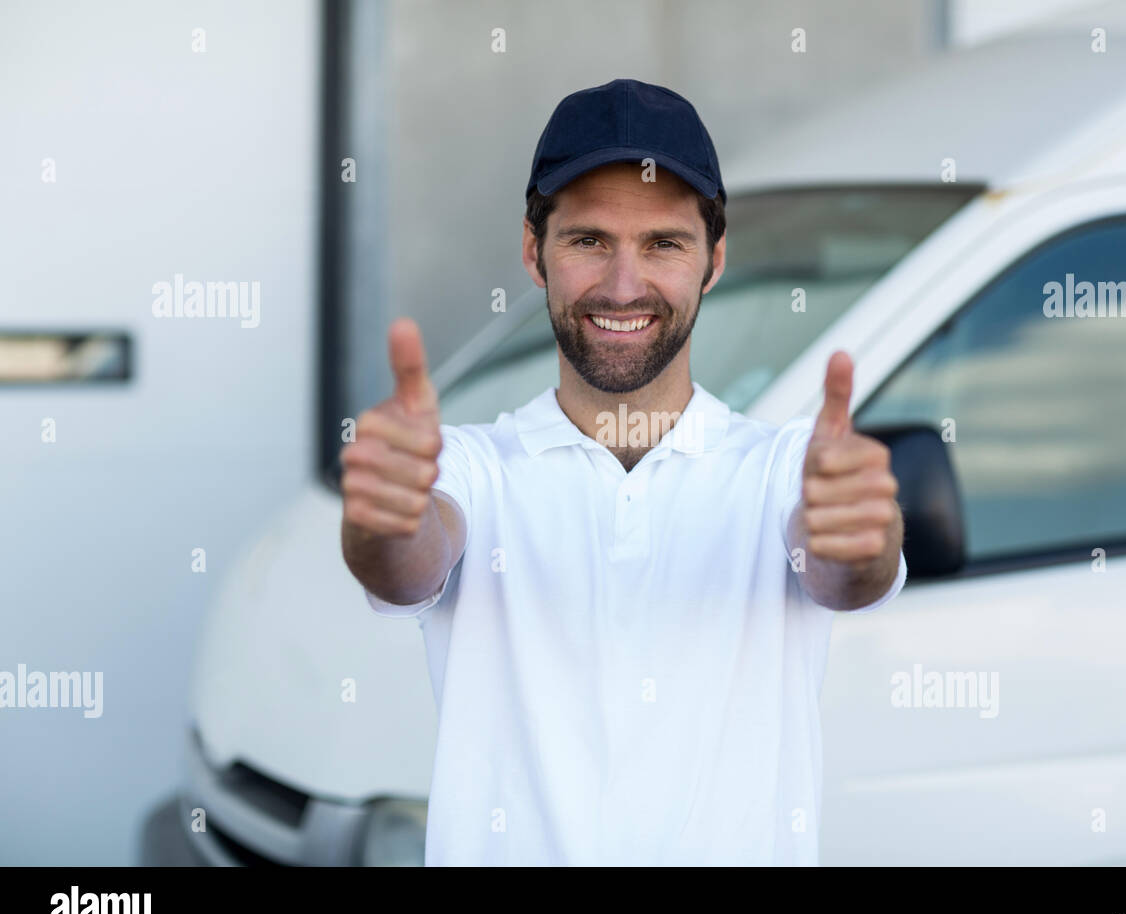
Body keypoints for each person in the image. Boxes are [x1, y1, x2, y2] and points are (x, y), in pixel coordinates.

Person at [340, 78, 906, 865]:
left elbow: (847, 573)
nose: (623, 285)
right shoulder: (475, 467)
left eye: (663, 244)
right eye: (589, 240)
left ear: (713, 262)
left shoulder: (780, 470)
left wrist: (858, 538)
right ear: (534, 252)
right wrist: (382, 520)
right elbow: (406, 564)